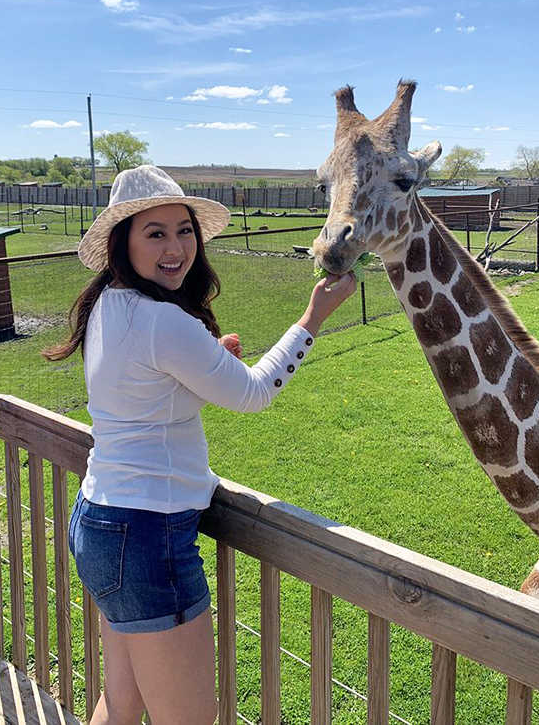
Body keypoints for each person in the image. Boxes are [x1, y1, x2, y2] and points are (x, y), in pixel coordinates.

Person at [43, 165, 355, 725]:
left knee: (121, 702)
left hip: (101, 521)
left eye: (183, 230)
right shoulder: (164, 321)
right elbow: (255, 395)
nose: (176, 246)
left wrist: (208, 357)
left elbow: (148, 389)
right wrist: (313, 318)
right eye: (155, 233)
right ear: (123, 243)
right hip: (146, 538)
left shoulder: (109, 304)